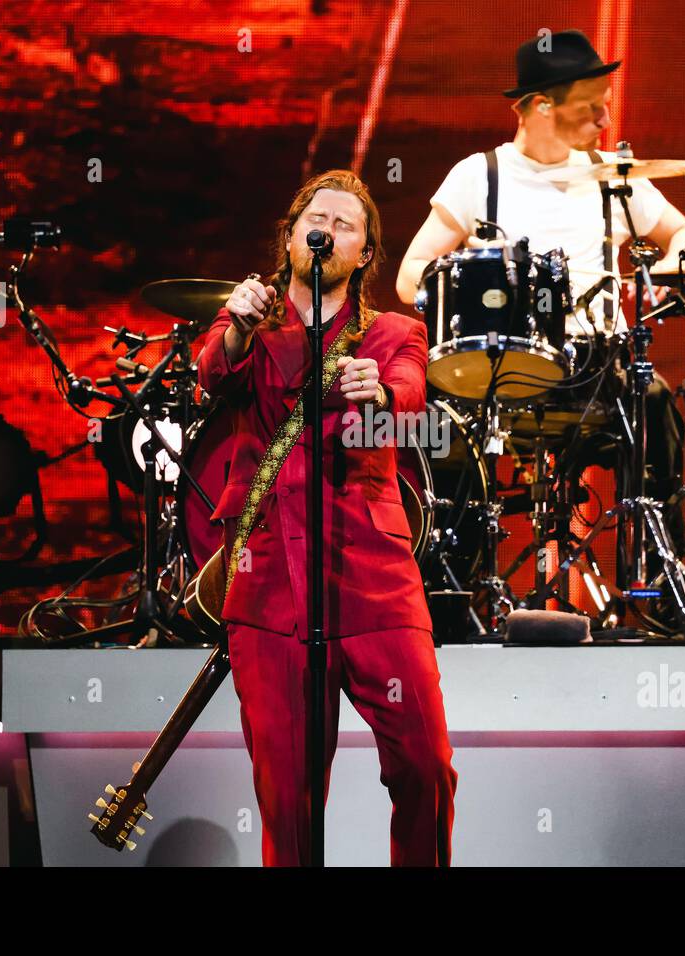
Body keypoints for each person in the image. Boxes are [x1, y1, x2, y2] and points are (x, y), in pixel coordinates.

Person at [197, 169, 456, 866]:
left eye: (347, 225)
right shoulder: (248, 321)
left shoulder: (396, 331)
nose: (329, 230)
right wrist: (236, 331)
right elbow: (212, 377)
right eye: (317, 219)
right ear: (289, 238)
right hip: (271, 582)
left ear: (367, 253)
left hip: (371, 576)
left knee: (427, 766)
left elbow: (407, 391)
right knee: (287, 798)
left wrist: (379, 395)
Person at [396, 28, 685, 500]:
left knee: (654, 401)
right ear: (542, 106)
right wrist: (454, 294)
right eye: (590, 105)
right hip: (496, 368)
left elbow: (684, 233)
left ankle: (658, 563)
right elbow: (410, 273)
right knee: (430, 418)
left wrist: (673, 264)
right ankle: (453, 559)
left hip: (593, 369)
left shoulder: (610, 175)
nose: (605, 117)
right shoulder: (479, 175)